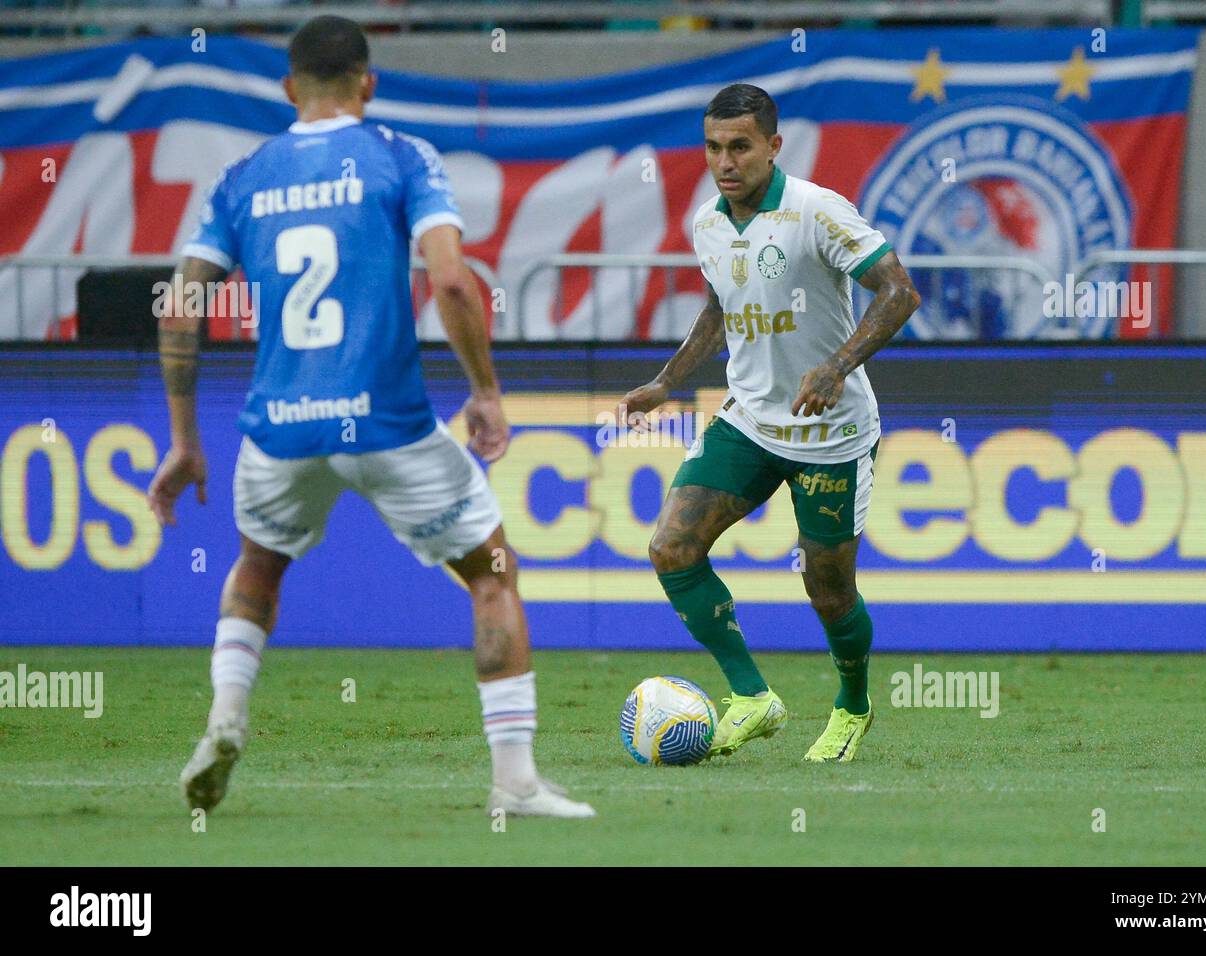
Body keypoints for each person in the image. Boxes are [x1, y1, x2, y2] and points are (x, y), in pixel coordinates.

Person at [147, 15, 594, 818]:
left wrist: (183, 441)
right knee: (491, 574)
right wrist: (485, 392)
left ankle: (223, 722)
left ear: (290, 89)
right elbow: (453, 283)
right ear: (368, 83)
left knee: (257, 568)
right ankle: (516, 780)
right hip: (387, 422)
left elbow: (179, 306)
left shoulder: (244, 175)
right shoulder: (400, 155)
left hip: (280, 430)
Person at [619, 83, 920, 762]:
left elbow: (900, 291)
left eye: (740, 147)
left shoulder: (817, 212)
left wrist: (838, 365)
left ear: (773, 146)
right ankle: (754, 697)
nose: (725, 162)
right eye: (713, 147)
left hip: (832, 432)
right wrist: (668, 382)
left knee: (828, 588)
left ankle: (852, 706)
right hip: (750, 421)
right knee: (671, 548)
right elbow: (721, 309)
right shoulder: (708, 224)